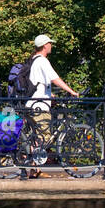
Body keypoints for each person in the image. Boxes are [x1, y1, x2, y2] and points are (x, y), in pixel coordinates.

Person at [25, 35, 78, 177]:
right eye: (50, 43)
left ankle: (34, 169)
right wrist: (71, 91)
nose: (51, 45)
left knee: (37, 137)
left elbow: (38, 83)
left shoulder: (33, 60)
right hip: (39, 106)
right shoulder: (42, 61)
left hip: (32, 104)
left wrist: (51, 96)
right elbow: (55, 78)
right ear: (44, 46)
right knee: (44, 136)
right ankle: (29, 162)